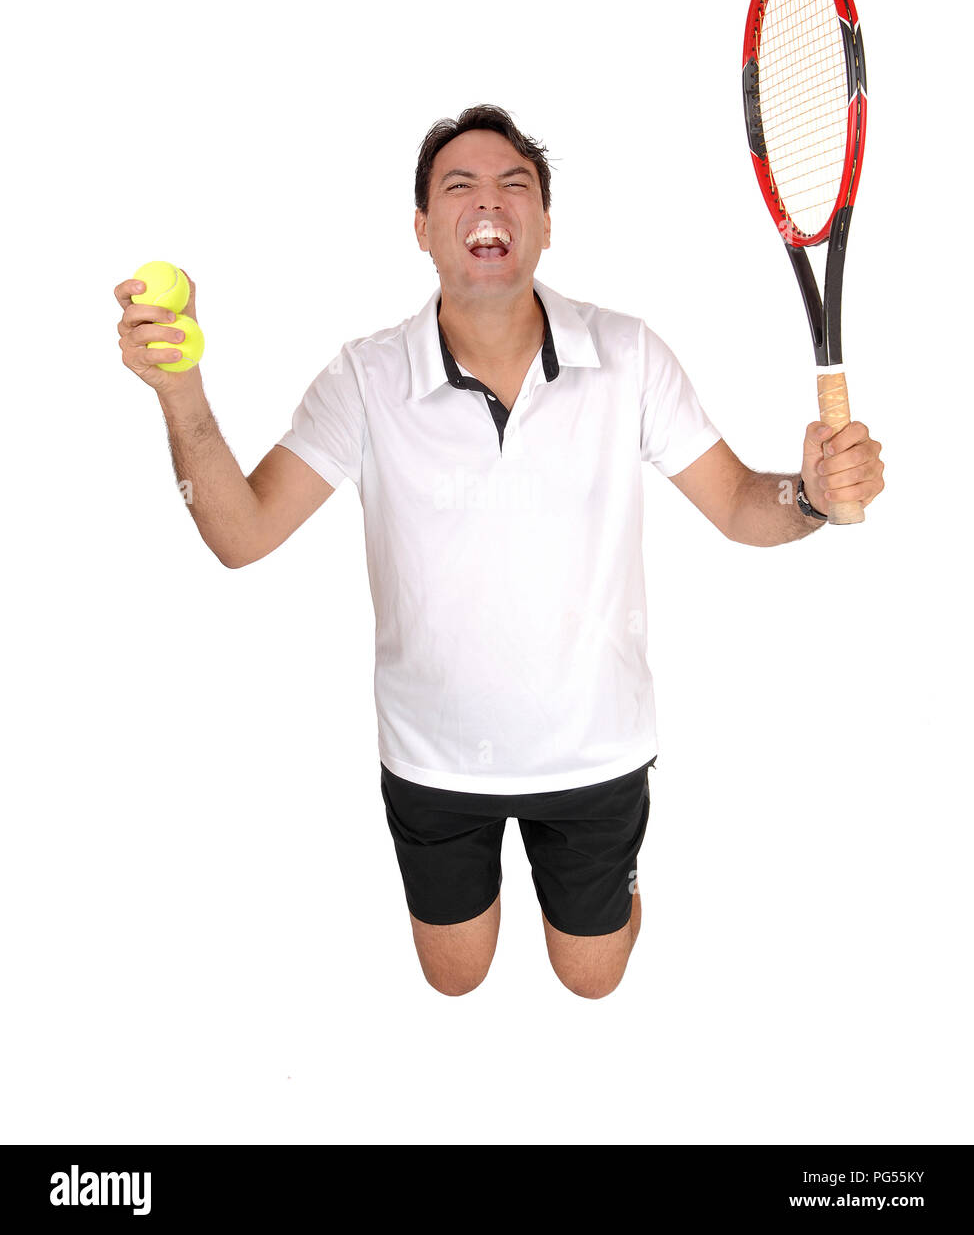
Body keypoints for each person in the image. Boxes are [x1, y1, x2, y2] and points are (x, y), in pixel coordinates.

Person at [115, 104, 884, 1000]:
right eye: (460, 187)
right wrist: (179, 392)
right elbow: (240, 535)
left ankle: (609, 899)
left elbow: (741, 506)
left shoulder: (628, 354)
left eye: (516, 185)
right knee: (455, 977)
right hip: (433, 760)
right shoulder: (364, 377)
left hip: (596, 754)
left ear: (545, 226)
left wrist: (812, 498)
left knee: (592, 978)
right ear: (423, 229)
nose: (491, 202)